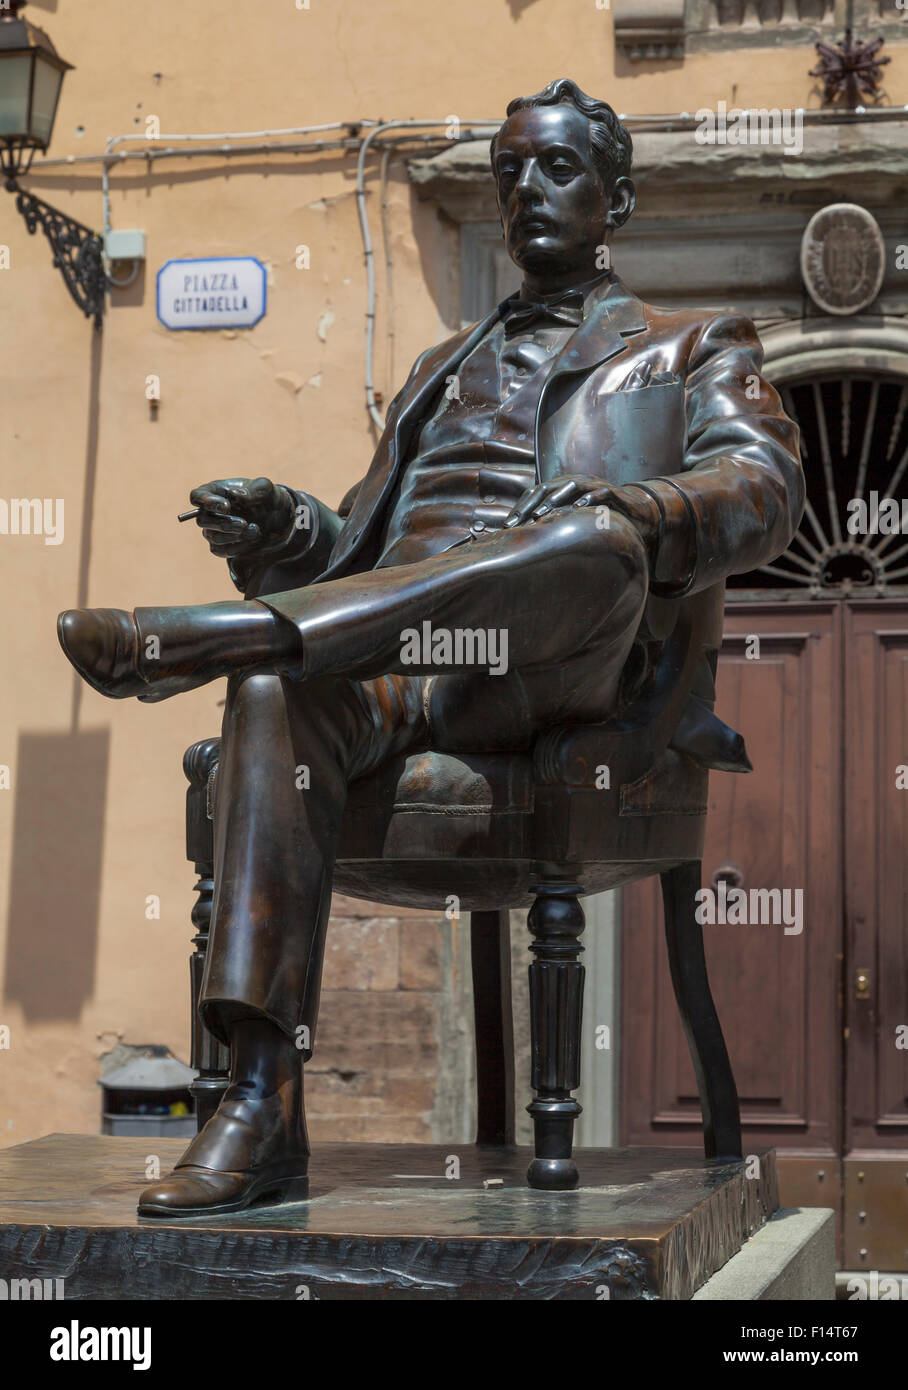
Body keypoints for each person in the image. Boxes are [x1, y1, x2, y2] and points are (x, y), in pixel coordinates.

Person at [58, 79, 804, 1216]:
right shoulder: (437, 369)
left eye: (555, 169)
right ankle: (260, 1102)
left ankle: (213, 643)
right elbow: (365, 548)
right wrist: (293, 532)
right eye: (507, 174)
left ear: (618, 196)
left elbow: (763, 490)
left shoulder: (690, 346)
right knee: (273, 694)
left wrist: (641, 513)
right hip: (404, 654)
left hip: (550, 674)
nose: (525, 193)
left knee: (587, 540)